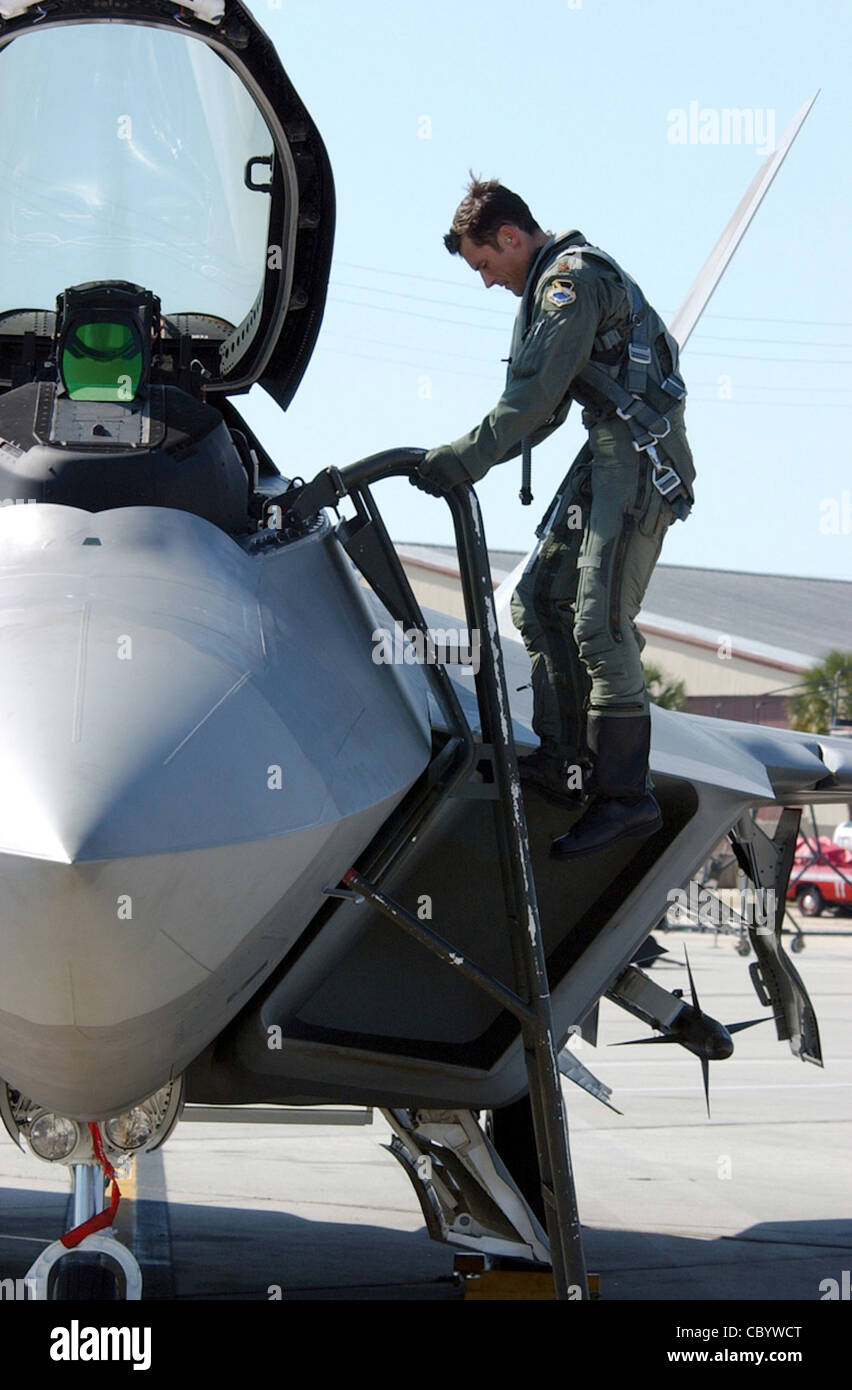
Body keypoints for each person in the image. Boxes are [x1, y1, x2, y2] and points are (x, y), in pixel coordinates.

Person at [410, 177, 695, 858]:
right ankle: (564, 762)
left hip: (637, 460)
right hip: (607, 451)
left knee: (599, 622)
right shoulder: (556, 285)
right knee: (538, 600)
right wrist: (474, 455)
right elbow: (546, 406)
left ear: (510, 237)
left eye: (485, 264)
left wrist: (463, 457)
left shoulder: (568, 283)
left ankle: (626, 797)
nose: (487, 281)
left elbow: (536, 398)